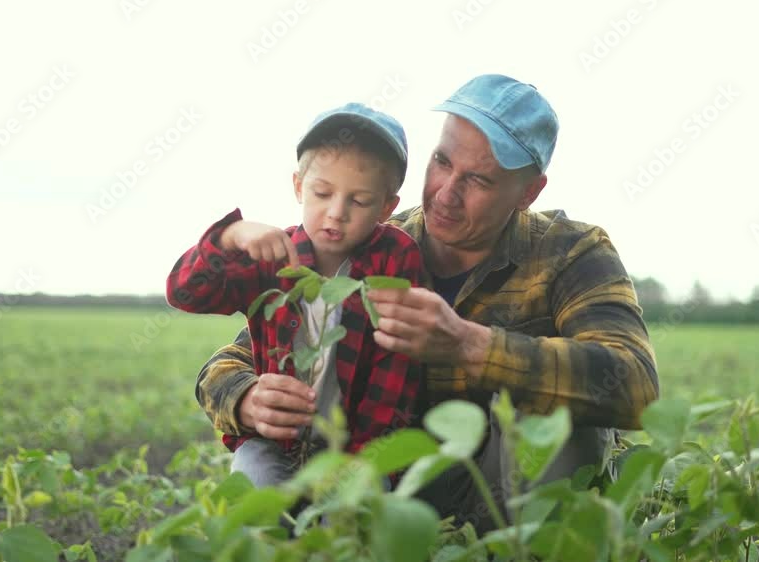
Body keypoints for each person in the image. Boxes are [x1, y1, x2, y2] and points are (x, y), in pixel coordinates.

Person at [194, 74, 660, 531]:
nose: (446, 193)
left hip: (506, 496)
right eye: (442, 161)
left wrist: (469, 345)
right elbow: (236, 358)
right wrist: (247, 398)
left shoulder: (571, 252)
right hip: (394, 494)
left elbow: (636, 384)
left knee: (564, 415)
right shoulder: (374, 245)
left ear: (529, 192)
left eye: (479, 180)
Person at [167, 103, 425, 488]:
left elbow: (395, 372)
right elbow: (185, 291)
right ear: (298, 186)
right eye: (322, 193)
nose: (336, 213)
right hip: (274, 440)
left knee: (354, 513)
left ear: (387, 207)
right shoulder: (272, 255)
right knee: (254, 496)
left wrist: (363, 464)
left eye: (359, 201)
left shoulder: (395, 258)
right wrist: (229, 237)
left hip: (354, 444)